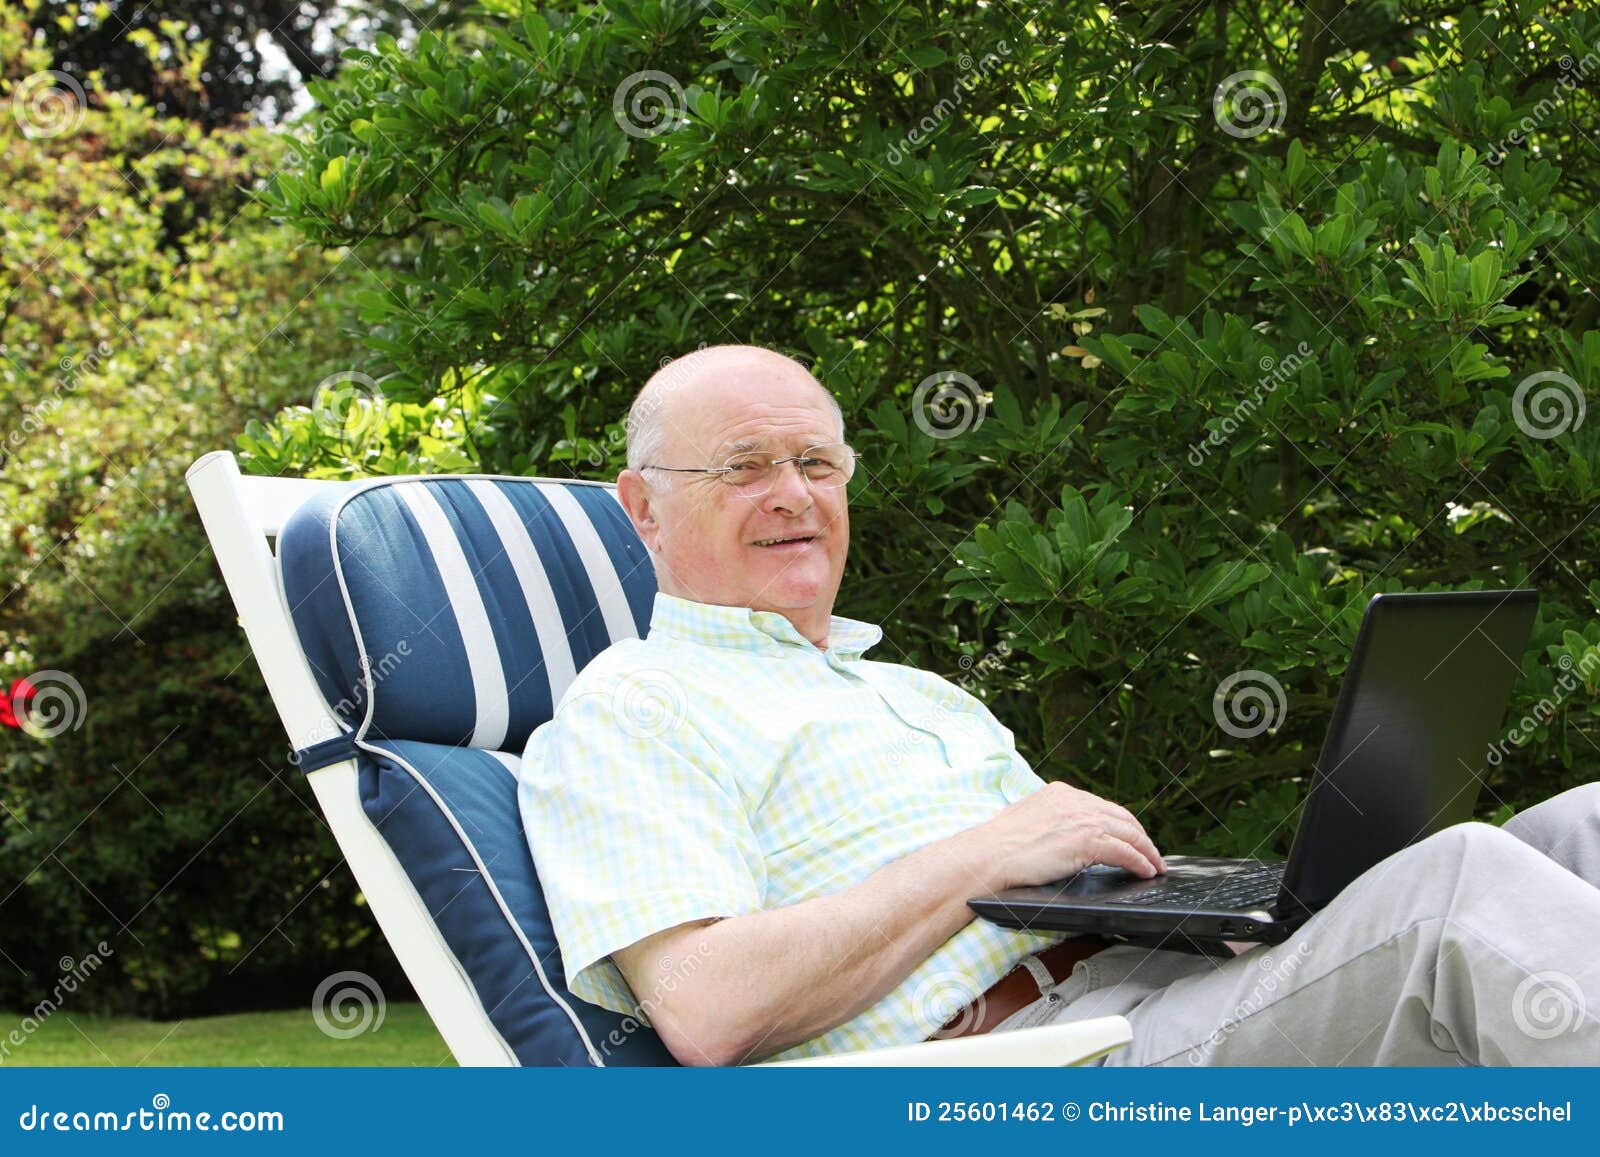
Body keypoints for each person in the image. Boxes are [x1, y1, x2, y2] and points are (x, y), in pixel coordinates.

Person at [518, 344, 1599, 1066]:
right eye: (744, 467)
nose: (794, 494)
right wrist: (983, 853)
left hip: (1150, 981)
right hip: (1029, 1063)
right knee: (1465, 884)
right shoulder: (635, 706)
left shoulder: (909, 692)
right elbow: (707, 1007)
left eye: (815, 462)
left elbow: (1049, 871)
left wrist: (1230, 904)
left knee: (1580, 823)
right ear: (643, 506)